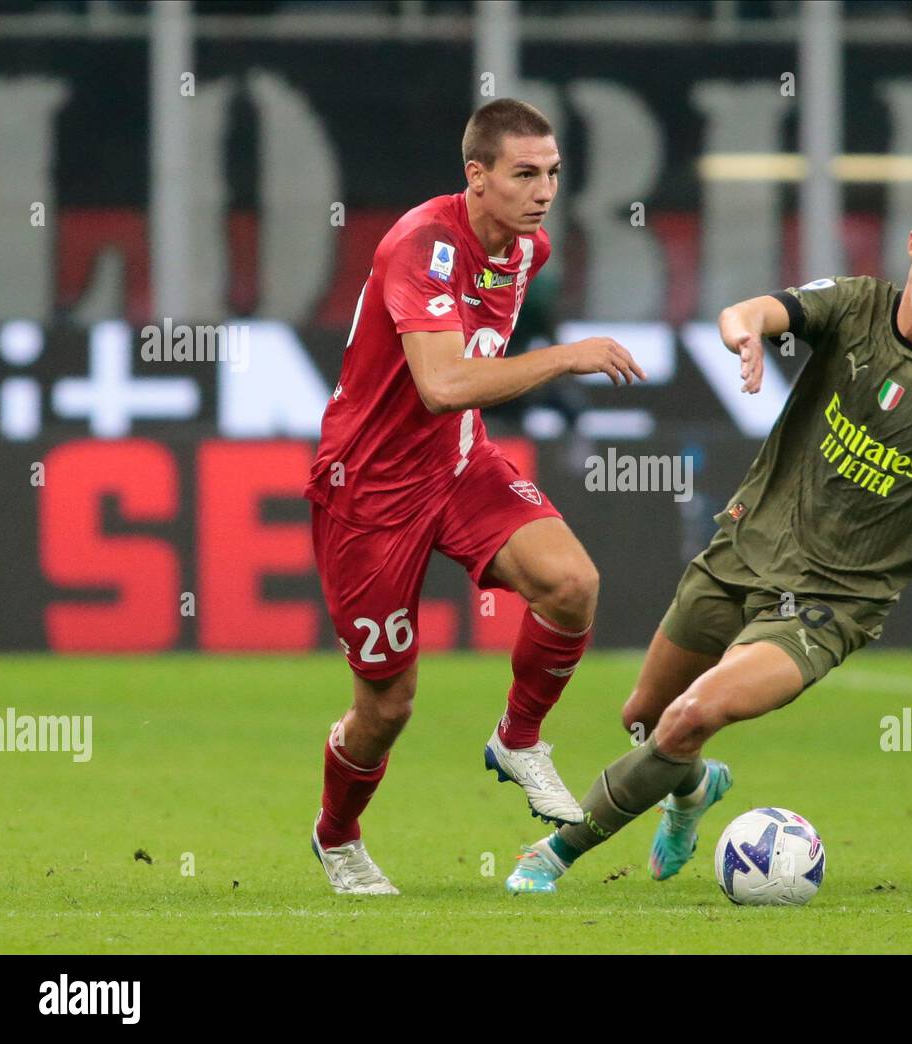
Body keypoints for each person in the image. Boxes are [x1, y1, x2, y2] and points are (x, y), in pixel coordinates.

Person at [504, 180, 912, 894]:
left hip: (831, 603)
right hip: (739, 553)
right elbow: (754, 311)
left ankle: (554, 853)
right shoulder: (856, 305)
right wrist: (744, 335)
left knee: (692, 714)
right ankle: (694, 789)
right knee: (646, 721)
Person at [304, 99, 645, 894]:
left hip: (458, 465)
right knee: (387, 709)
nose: (544, 191)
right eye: (525, 174)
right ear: (477, 176)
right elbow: (442, 383)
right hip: (370, 493)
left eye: (554, 173)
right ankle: (337, 835)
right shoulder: (422, 244)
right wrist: (564, 358)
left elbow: (464, 390)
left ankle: (517, 739)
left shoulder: (527, 250)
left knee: (572, 585)